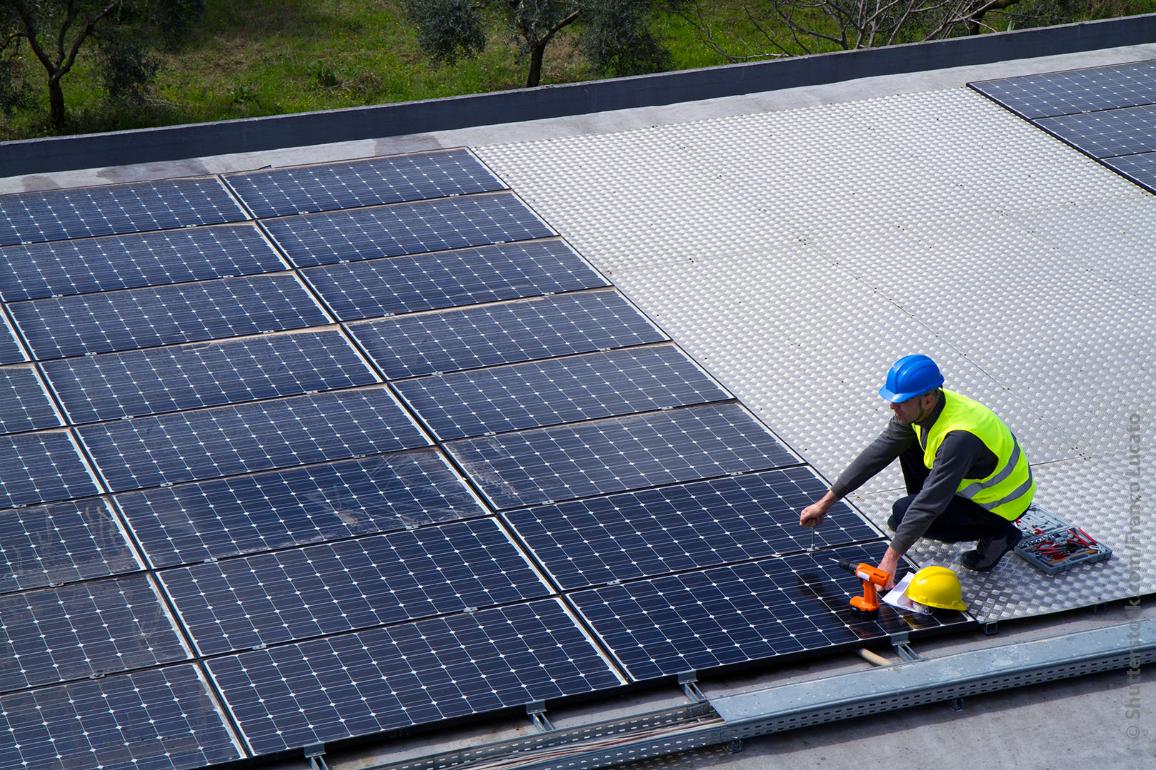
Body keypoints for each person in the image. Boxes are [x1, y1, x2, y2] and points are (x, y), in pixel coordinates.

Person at [800, 355, 1035, 587]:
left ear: (928, 399)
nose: (893, 406)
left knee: (905, 512)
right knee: (905, 444)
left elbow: (931, 501)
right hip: (968, 483)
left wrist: (891, 558)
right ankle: (914, 521)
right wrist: (826, 502)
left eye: (900, 402)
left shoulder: (960, 437)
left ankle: (1000, 536)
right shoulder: (926, 410)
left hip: (998, 505)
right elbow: (878, 453)